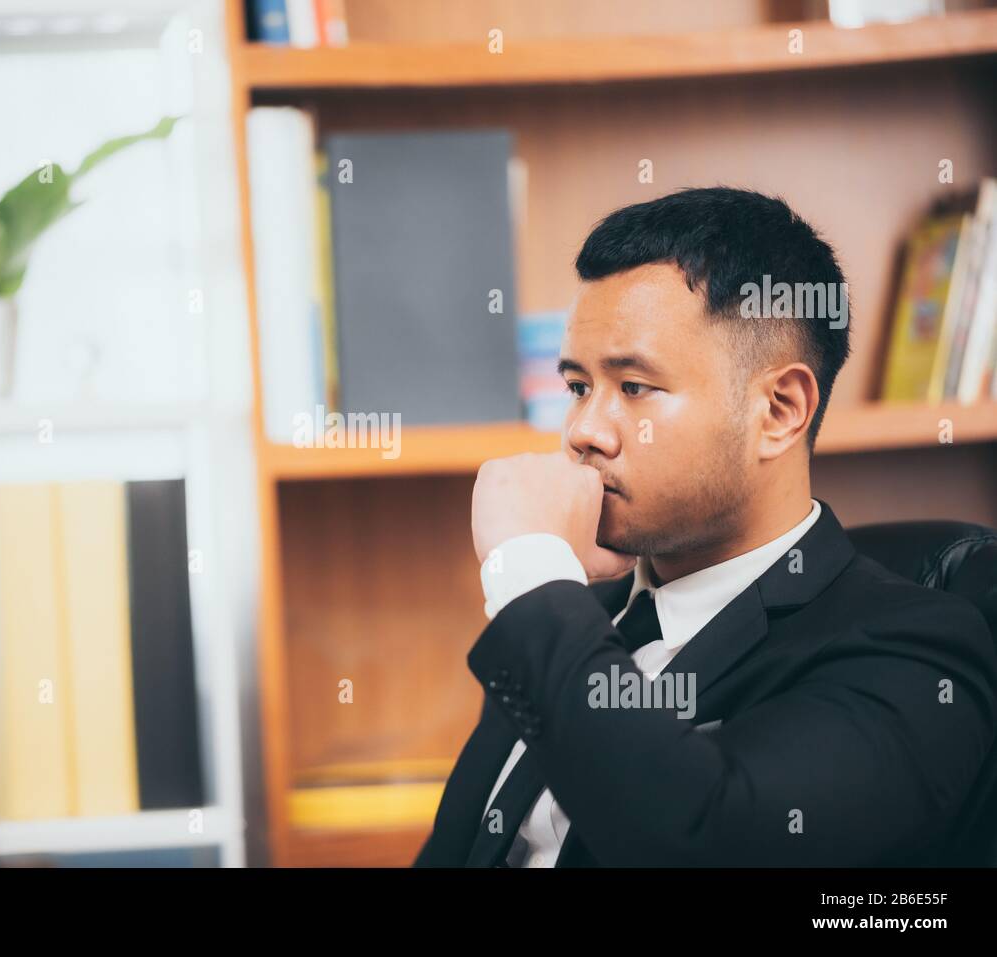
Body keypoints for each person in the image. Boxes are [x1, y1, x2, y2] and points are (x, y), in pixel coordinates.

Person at [413, 187, 997, 867]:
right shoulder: (576, 610)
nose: (582, 432)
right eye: (578, 387)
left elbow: (708, 836)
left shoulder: (919, 651)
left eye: (634, 387)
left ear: (779, 411)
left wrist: (532, 576)